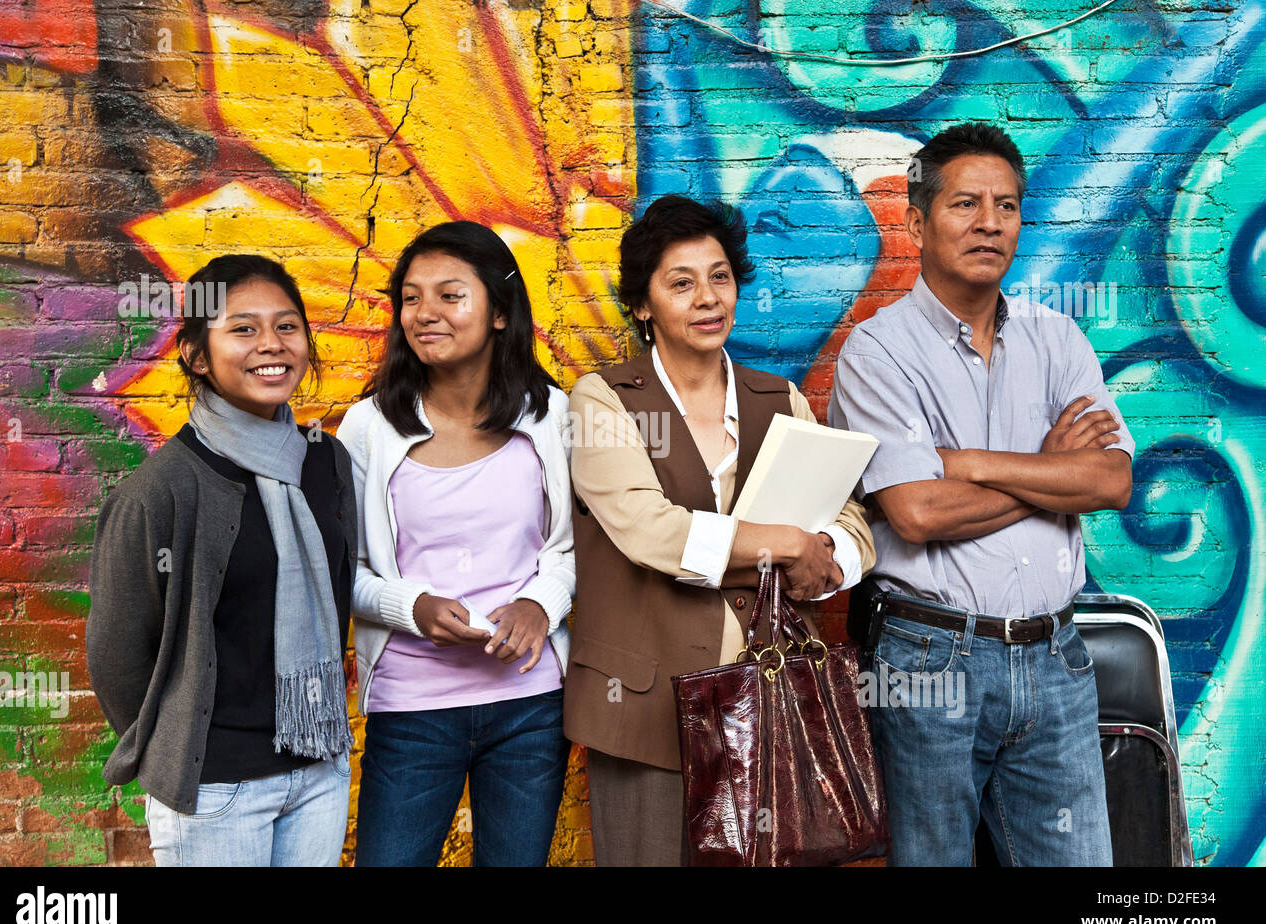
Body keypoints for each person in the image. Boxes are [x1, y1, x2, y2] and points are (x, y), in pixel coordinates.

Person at [830, 122, 1134, 866]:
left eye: (1006, 206)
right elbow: (917, 512)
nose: (989, 223)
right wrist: (1048, 472)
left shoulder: (1059, 340)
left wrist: (966, 462)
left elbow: (1111, 479)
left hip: (1055, 656)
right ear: (917, 221)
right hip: (931, 659)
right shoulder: (878, 351)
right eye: (965, 203)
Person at [564, 194, 876, 867]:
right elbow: (651, 533)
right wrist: (786, 545)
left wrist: (828, 556)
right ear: (643, 305)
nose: (707, 298)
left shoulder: (779, 400)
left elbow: (850, 517)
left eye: (720, 277)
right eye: (681, 282)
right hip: (647, 712)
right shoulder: (604, 400)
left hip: (772, 704)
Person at [87, 255, 356, 867]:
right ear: (196, 354)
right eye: (243, 328)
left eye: (288, 327)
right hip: (216, 790)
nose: (272, 345)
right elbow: (117, 657)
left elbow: (344, 587)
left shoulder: (324, 462)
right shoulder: (161, 491)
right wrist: (178, 746)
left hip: (319, 771)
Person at [337, 221, 575, 867]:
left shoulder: (552, 416)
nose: (425, 314)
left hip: (529, 704)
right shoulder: (368, 426)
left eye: (450, 295)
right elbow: (344, 569)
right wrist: (410, 606)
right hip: (411, 706)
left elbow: (574, 549)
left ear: (500, 311)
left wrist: (539, 606)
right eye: (411, 298)